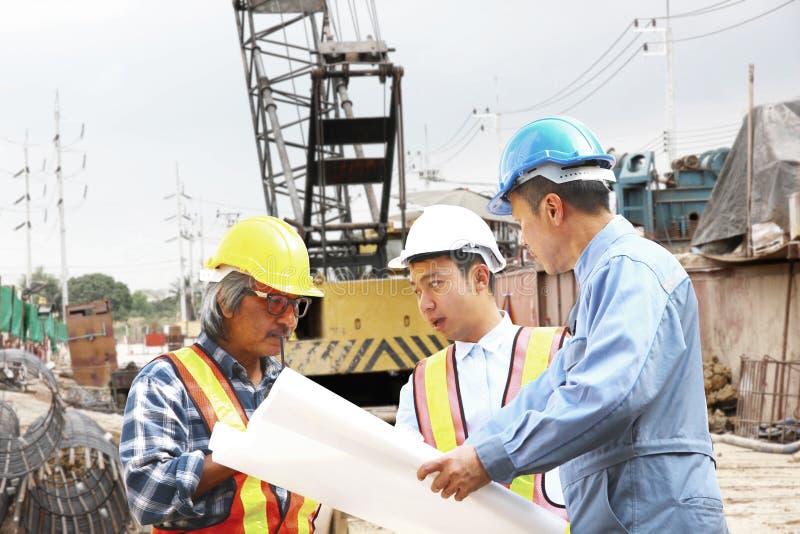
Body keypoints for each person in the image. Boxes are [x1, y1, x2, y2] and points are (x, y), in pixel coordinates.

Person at [416, 117, 728, 533]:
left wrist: (488, 458)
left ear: (552, 208)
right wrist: (473, 451)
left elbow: (606, 395)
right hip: (635, 510)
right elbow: (550, 391)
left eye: (522, 223)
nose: (523, 240)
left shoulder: (630, 270)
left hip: (655, 513)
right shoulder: (605, 280)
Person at [120, 216, 325, 532]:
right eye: (275, 302)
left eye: (296, 305)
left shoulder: (287, 386)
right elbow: (146, 495)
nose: (289, 321)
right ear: (226, 302)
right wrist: (243, 454)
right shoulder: (166, 382)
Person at [389, 204, 569, 521]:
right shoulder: (420, 384)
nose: (424, 304)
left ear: (480, 278)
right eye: (417, 290)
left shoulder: (558, 352)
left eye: (435, 284)